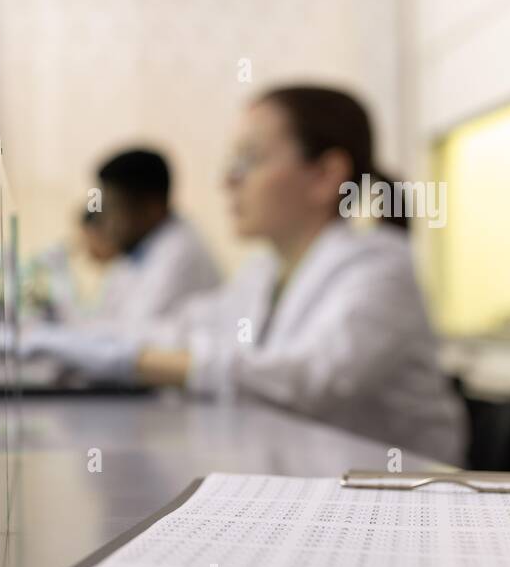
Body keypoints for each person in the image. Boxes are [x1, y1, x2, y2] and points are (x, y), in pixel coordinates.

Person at [28, 86, 466, 465]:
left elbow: (309, 378)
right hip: (307, 483)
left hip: (400, 507)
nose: (227, 181)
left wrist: (132, 360)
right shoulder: (265, 271)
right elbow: (182, 328)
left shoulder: (379, 265)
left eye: (248, 160)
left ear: (325, 175)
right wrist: (64, 341)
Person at [84, 148, 221, 326]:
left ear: (152, 207)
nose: (107, 222)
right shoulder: (136, 254)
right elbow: (103, 320)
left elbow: (133, 334)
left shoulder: (180, 252)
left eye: (114, 208)